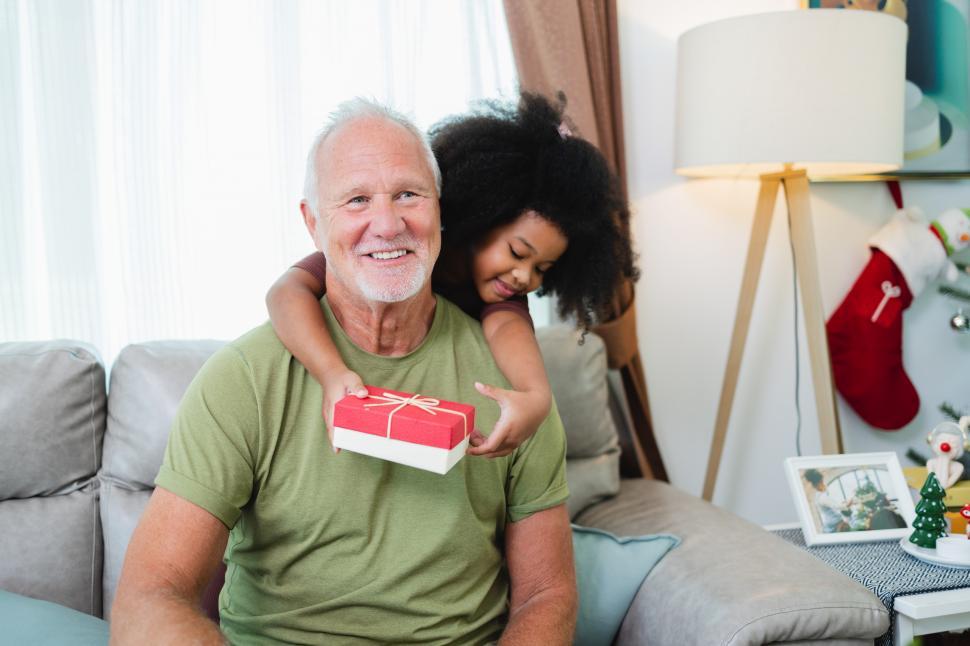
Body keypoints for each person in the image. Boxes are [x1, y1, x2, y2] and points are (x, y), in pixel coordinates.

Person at [111, 99, 577, 644]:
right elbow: (149, 598)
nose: (387, 223)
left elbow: (548, 594)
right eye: (357, 199)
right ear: (312, 223)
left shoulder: (514, 385)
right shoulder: (243, 379)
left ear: (440, 210)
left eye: (408, 194)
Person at [266, 93, 637, 459]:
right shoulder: (394, 253)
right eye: (517, 253)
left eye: (542, 269)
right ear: (481, 221)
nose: (524, 276)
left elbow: (510, 331)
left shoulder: (502, 297)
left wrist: (536, 399)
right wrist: (331, 373)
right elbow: (285, 292)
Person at [804, 469, 852, 533]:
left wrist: (843, 504)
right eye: (822, 482)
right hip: (834, 524)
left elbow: (833, 505)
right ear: (819, 483)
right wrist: (849, 502)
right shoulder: (822, 497)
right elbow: (838, 506)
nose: (824, 484)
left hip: (832, 522)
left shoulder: (818, 496)